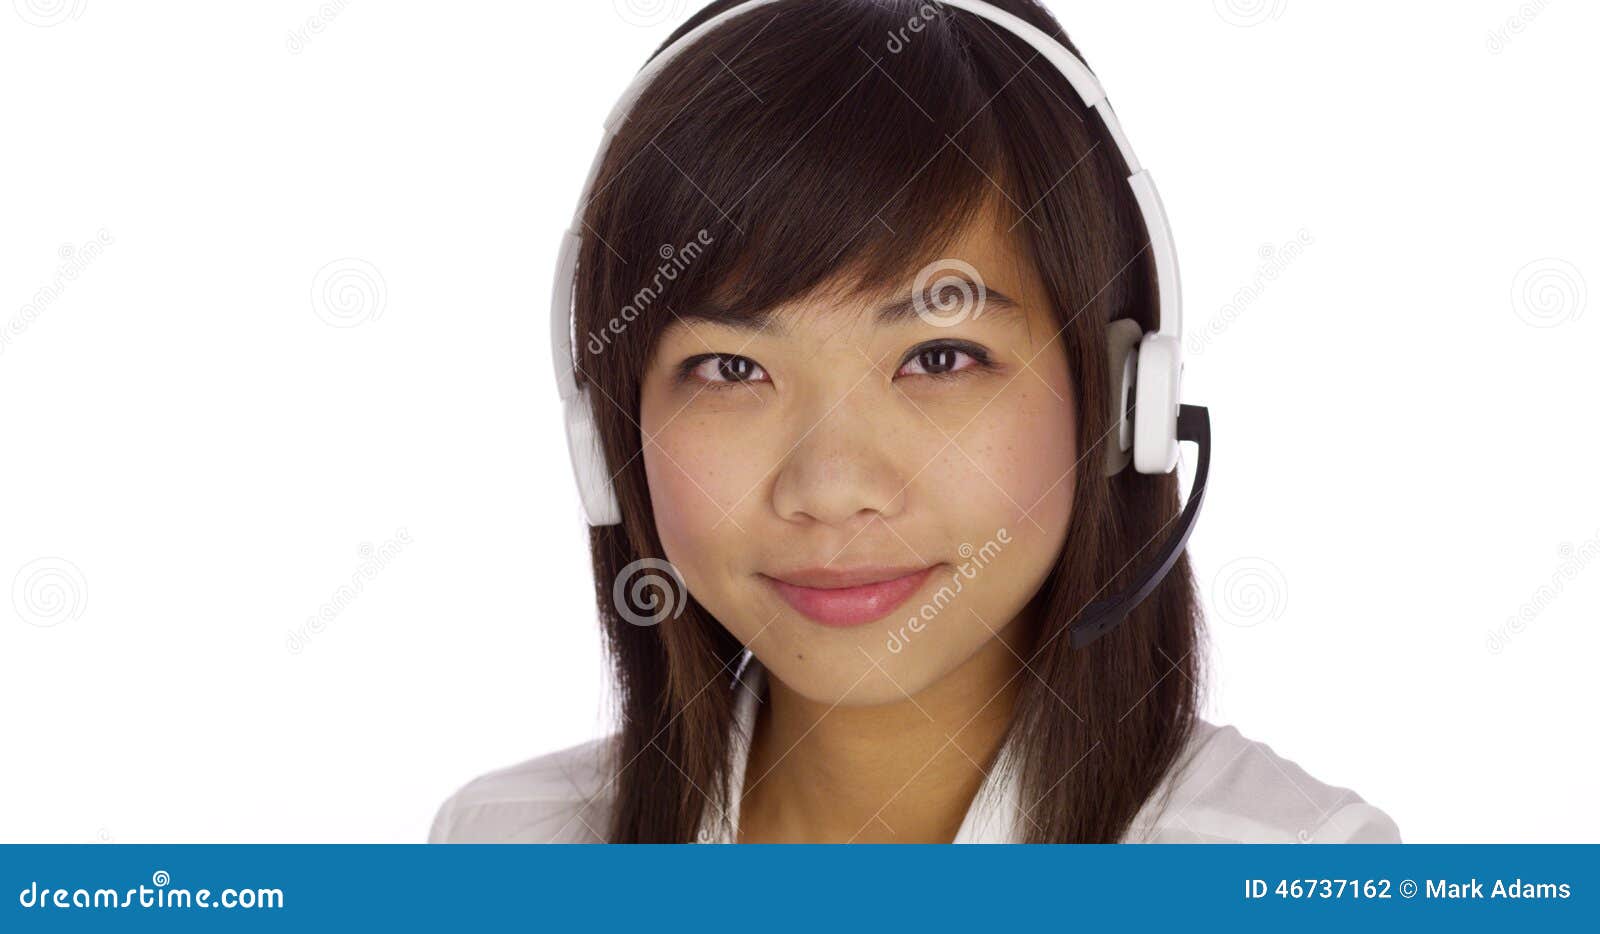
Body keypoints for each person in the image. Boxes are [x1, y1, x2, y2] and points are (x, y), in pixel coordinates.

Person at [429, 0, 1400, 844]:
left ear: (1121, 405)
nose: (830, 486)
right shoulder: (501, 847)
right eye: (730, 367)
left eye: (939, 357)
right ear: (611, 438)